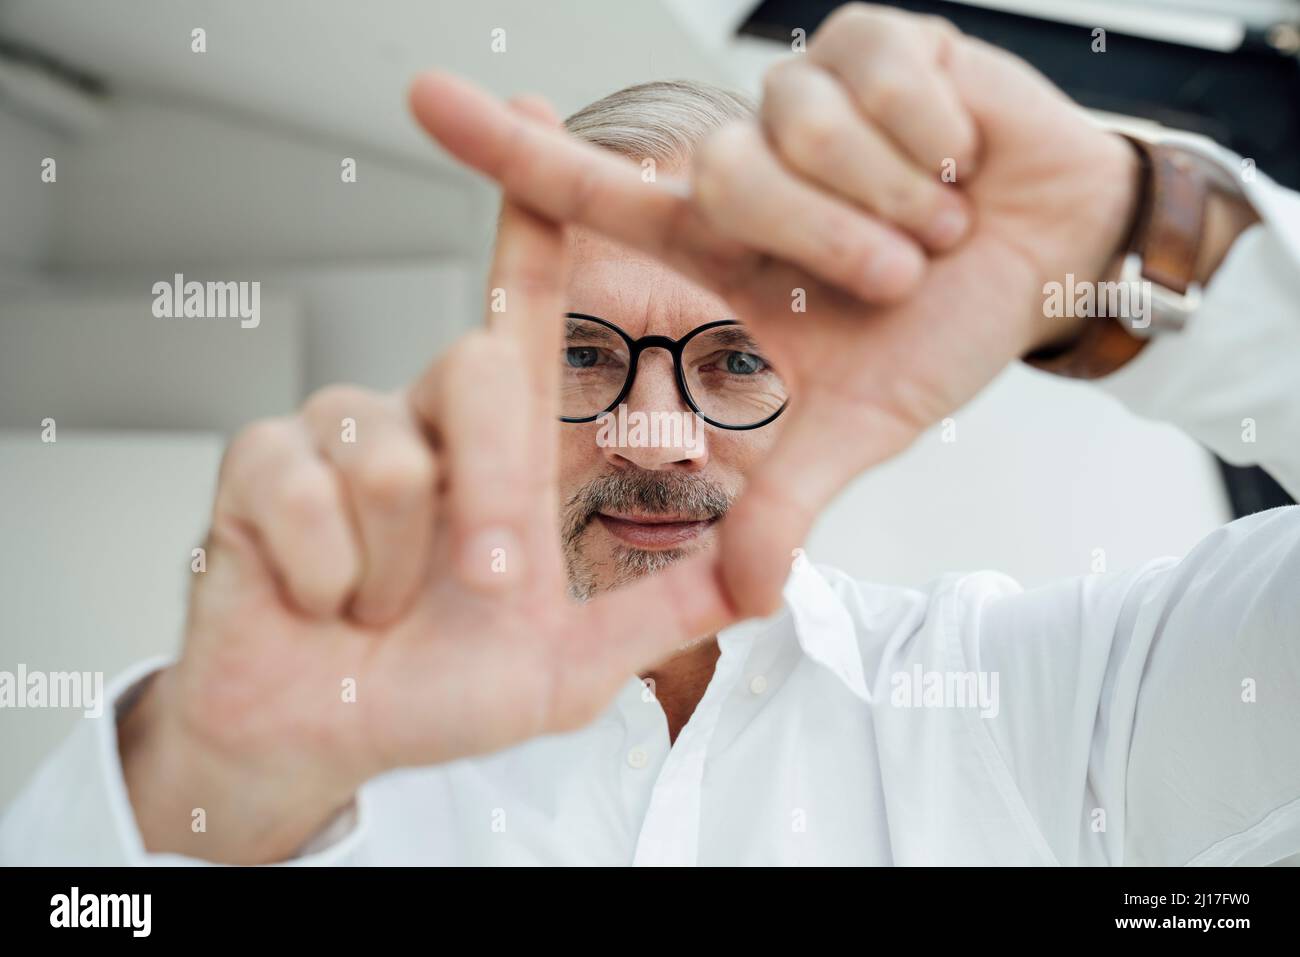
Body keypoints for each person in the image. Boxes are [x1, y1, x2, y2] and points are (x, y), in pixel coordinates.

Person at [3, 3, 1298, 866]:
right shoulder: (330, 754)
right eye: (582, 350)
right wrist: (194, 786)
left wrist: (1138, 241)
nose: (653, 426)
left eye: (735, 358)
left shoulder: (1027, 703)